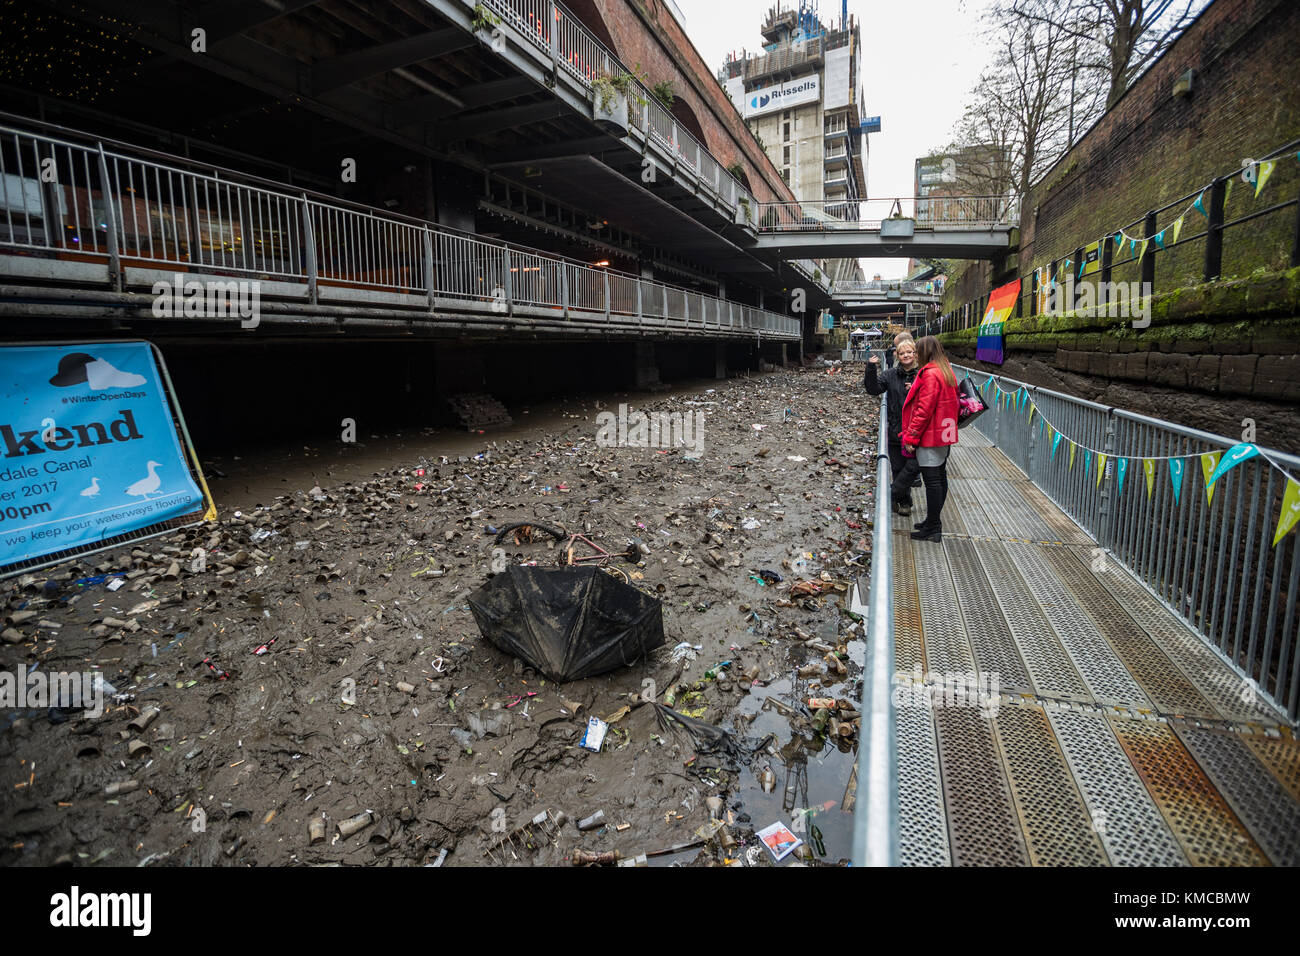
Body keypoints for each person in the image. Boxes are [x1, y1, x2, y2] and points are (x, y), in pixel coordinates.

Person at [898, 336, 960, 541]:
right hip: (944, 433)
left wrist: (912, 437)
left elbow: (924, 410)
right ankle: (933, 521)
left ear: (925, 352)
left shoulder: (930, 374)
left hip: (931, 435)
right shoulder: (945, 369)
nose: (915, 355)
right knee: (940, 478)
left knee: (932, 481)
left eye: (917, 351)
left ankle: (933, 526)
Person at [863, 332, 920, 515]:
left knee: (911, 468)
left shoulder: (922, 375)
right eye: (902, 353)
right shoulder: (890, 375)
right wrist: (871, 368)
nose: (906, 356)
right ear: (897, 355)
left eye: (909, 352)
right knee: (897, 468)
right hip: (896, 430)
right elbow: (873, 389)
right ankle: (904, 503)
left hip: (918, 431)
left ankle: (892, 495)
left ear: (915, 354)